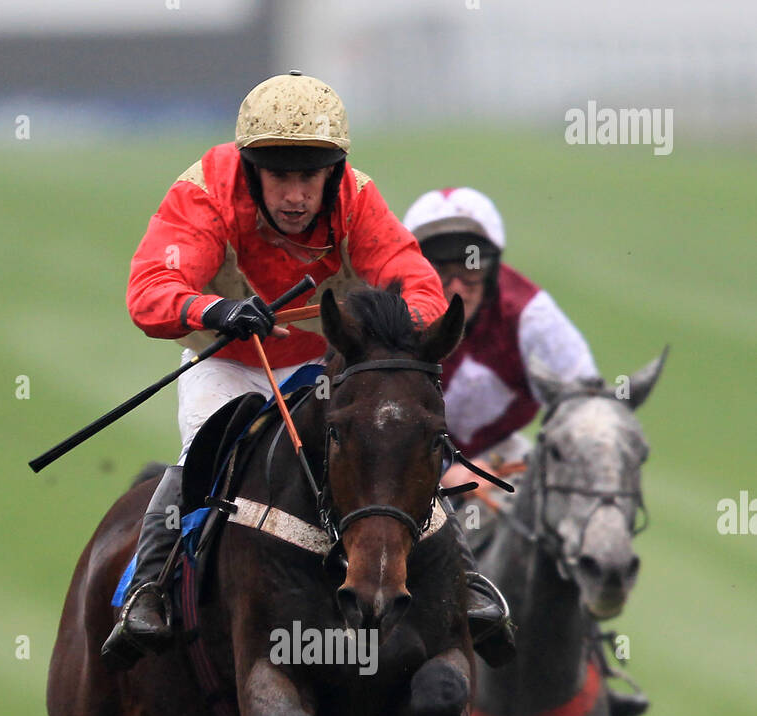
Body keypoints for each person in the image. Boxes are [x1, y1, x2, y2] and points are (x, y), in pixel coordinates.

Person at [101, 74, 513, 671]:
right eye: (279, 177)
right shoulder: (204, 192)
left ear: (334, 173)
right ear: (249, 171)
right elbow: (150, 290)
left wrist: (401, 335)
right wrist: (214, 310)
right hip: (230, 362)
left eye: (309, 177)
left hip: (328, 361)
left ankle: (466, 580)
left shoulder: (358, 199)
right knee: (203, 457)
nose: (295, 196)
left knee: (393, 448)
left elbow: (414, 280)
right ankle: (150, 589)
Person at [403, 186, 648, 716]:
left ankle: (599, 675)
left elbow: (585, 401)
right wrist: (437, 471)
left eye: (472, 266)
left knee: (564, 530)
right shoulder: (392, 308)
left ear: (494, 265)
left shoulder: (530, 312)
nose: (456, 281)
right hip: (399, 462)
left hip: (498, 456)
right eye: (438, 266)